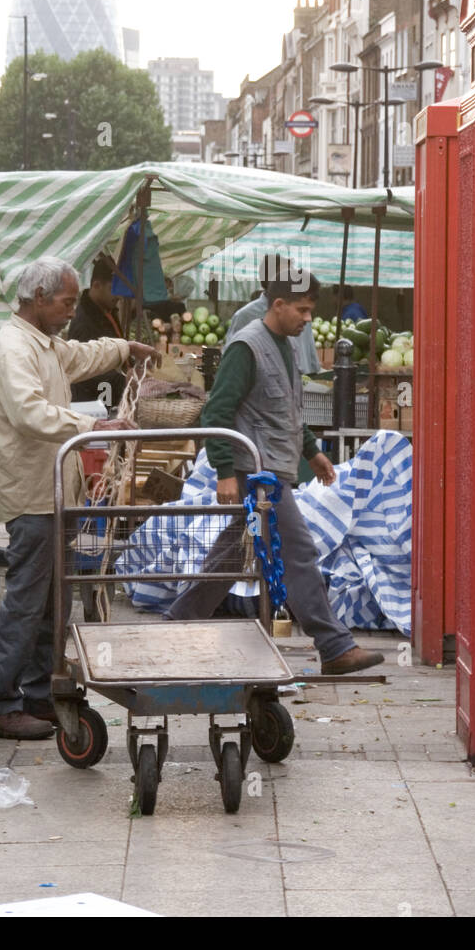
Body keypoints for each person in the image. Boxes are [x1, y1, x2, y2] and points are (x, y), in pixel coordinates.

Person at [166, 265, 384, 676]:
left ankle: (175, 626)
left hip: (273, 470)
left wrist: (312, 452)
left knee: (228, 558)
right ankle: (334, 645)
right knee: (299, 552)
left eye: (310, 312)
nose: (307, 319)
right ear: (278, 304)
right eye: (301, 310)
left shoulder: (283, 346)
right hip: (256, 476)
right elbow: (217, 412)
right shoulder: (246, 347)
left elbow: (286, 408)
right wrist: (226, 471)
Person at [0, 256, 156, 739]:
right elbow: (29, 412)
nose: (71, 311)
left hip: (53, 492)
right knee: (27, 601)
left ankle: (37, 695)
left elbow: (80, 355)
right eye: (66, 301)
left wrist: (124, 349)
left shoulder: (46, 345)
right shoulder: (13, 347)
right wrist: (94, 426)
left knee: (51, 604)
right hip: (31, 493)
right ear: (38, 298)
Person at [226, 257, 320, 375]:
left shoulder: (302, 313)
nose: (294, 281)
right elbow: (232, 366)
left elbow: (311, 358)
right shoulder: (245, 316)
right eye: (287, 276)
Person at [67, 255, 128, 408]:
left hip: (110, 395)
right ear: (96, 285)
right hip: (93, 403)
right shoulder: (83, 321)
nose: (119, 296)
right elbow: (87, 369)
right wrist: (125, 381)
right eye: (112, 289)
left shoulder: (107, 310)